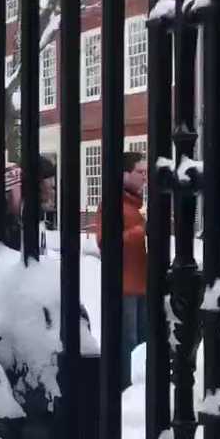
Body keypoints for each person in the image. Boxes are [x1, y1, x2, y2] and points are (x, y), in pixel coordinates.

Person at [95, 151, 147, 389]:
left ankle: (140, 390)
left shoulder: (136, 206)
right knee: (128, 344)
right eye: (140, 172)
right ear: (124, 174)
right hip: (124, 287)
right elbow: (106, 243)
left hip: (142, 286)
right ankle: (124, 390)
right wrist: (140, 232)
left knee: (143, 343)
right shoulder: (112, 205)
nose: (145, 177)